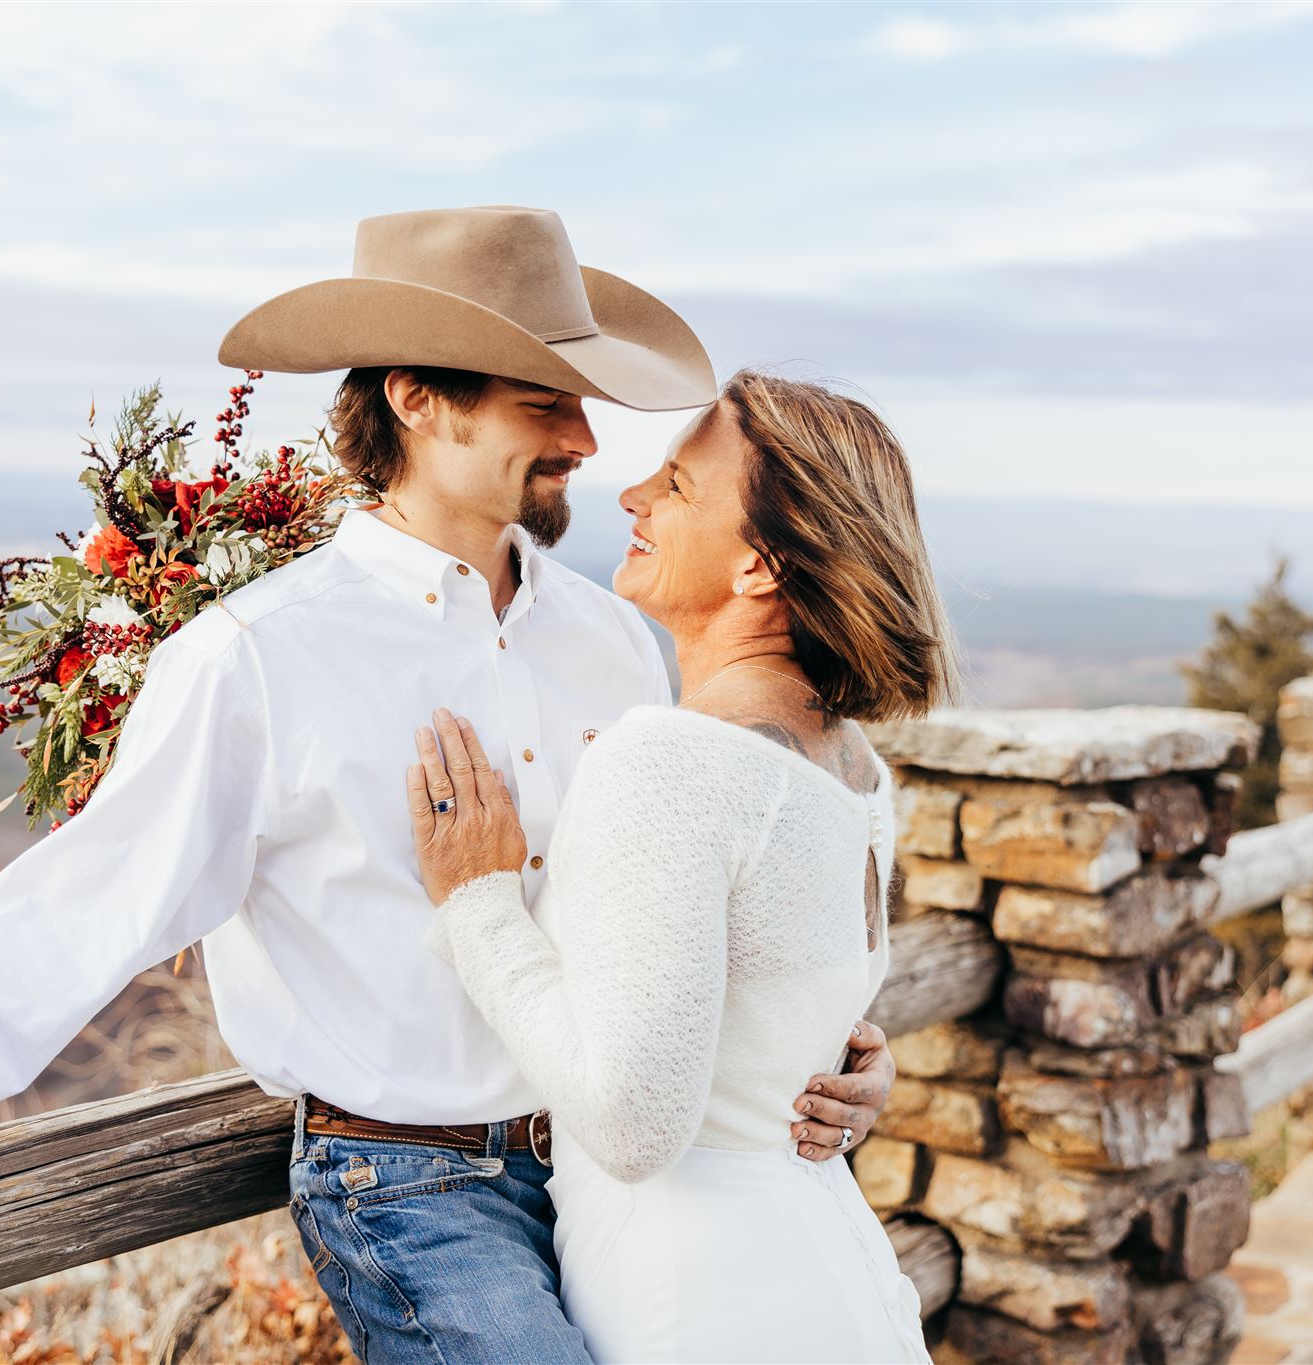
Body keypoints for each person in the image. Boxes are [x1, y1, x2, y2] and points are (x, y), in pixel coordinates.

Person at [0, 207, 900, 1363]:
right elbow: (72, 917)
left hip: (615, 1180)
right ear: (418, 399)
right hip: (416, 1191)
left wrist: (819, 1050)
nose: (582, 439)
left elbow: (682, 905)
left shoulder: (614, 640)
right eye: (542, 403)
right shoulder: (258, 659)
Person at [402, 368, 964, 1362]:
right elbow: (782, 1013)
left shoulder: (668, 759)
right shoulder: (851, 765)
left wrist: (479, 905)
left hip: (700, 1297)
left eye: (675, 486)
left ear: (759, 567)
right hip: (826, 1266)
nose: (630, 496)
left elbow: (631, 1125)